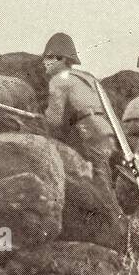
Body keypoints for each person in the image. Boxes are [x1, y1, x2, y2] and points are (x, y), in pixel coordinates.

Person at [43, 32, 117, 196]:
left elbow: (54, 121)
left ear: (61, 59)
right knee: (104, 179)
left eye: (48, 58)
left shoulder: (59, 79)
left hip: (89, 132)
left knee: (98, 186)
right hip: (107, 132)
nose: (44, 62)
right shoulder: (88, 77)